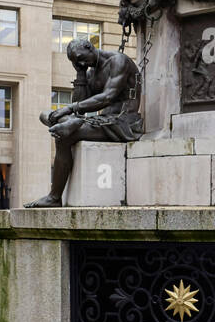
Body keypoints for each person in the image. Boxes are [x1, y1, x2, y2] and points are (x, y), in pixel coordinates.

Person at [26, 38, 142, 208]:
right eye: (76, 62)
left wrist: (69, 110)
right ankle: (74, 124)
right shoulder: (90, 73)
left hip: (123, 123)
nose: (81, 62)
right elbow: (81, 104)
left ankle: (54, 197)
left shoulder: (118, 60)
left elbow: (107, 96)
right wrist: (80, 74)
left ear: (90, 47)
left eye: (81, 58)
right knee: (45, 115)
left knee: (64, 137)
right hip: (103, 121)